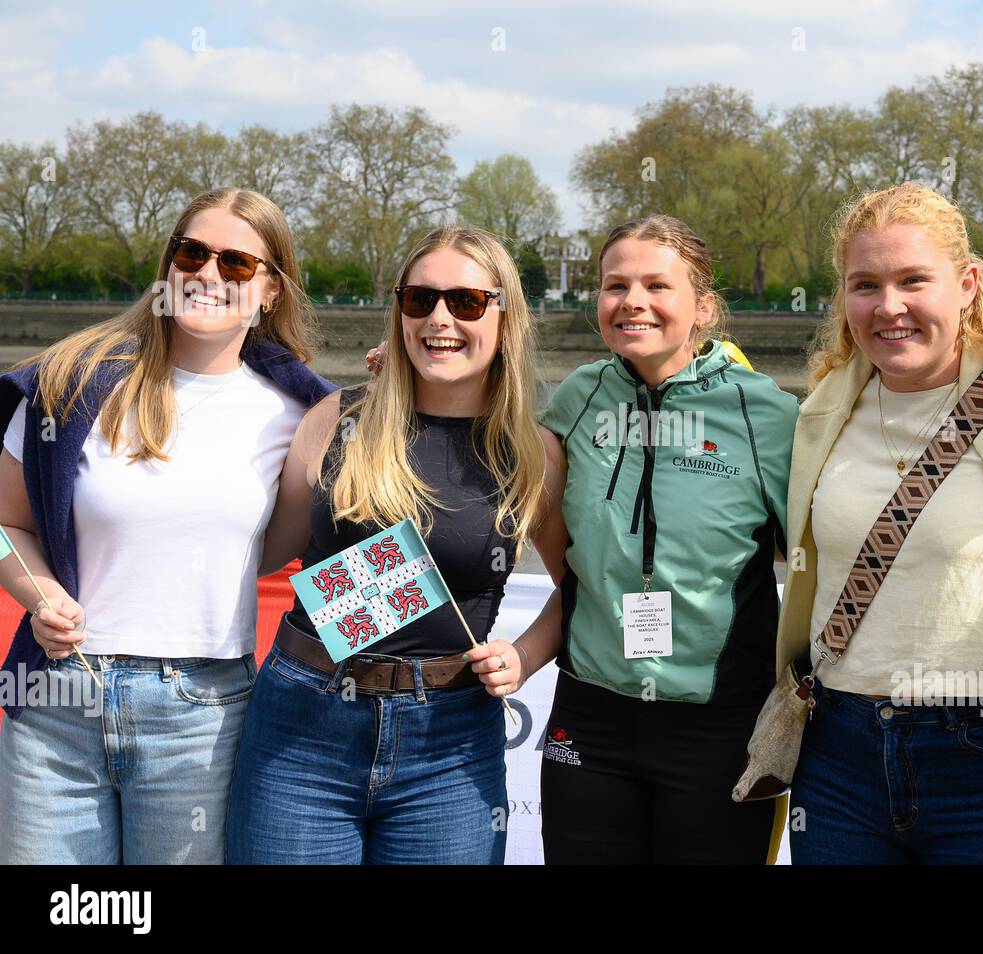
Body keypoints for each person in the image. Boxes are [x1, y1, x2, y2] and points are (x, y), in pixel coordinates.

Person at [0, 188, 335, 863]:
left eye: (238, 263)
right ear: (168, 266)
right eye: (193, 252)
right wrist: (42, 596)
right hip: (57, 704)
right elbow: (6, 525)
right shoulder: (66, 384)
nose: (209, 274)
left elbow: (277, 555)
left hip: (205, 717)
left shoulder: (305, 417)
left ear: (271, 289)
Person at [225, 226, 556, 864]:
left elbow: (578, 590)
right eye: (419, 299)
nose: (439, 319)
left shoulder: (534, 452)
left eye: (465, 302)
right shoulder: (337, 419)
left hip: (451, 742)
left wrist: (524, 657)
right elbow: (261, 552)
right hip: (302, 723)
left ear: (505, 315)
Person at [777, 182, 983, 864]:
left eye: (914, 280)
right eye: (866, 285)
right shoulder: (821, 409)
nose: (889, 307)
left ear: (967, 283)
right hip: (837, 749)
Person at [511, 214, 796, 864]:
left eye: (656, 286)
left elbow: (817, 557)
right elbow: (497, 459)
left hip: (720, 725)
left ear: (704, 307)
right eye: (616, 286)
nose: (632, 301)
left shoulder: (769, 415)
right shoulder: (580, 397)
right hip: (589, 715)